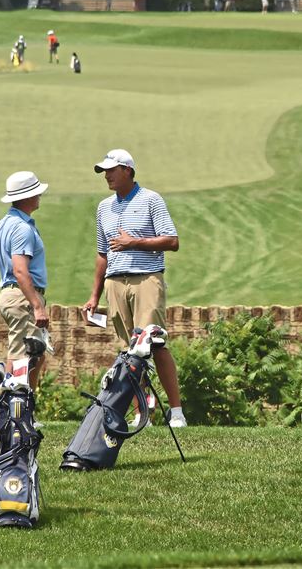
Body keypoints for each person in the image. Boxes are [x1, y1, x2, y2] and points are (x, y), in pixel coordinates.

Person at [82, 149, 185, 427]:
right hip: (114, 282)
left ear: (127, 170)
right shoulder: (104, 207)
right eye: (104, 171)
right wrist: (94, 296)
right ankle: (142, 414)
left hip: (146, 278)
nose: (107, 176)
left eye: (112, 170)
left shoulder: (151, 199)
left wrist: (134, 243)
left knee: (155, 343)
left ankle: (176, 412)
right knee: (129, 351)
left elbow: (172, 241)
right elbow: (102, 253)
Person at [0, 172, 51, 390]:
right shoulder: (22, 228)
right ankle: (13, 410)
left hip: (13, 294)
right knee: (23, 356)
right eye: (36, 192)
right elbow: (20, 270)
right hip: (22, 295)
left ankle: (23, 406)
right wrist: (37, 305)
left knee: (33, 353)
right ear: (27, 196)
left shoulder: (4, 224)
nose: (40, 196)